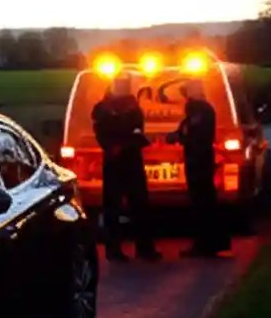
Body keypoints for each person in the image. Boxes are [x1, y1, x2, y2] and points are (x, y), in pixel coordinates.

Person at [92, 74, 161, 262]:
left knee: (136, 204)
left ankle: (141, 248)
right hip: (117, 159)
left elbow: (137, 128)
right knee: (116, 206)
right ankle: (118, 250)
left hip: (127, 157)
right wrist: (117, 144)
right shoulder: (106, 108)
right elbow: (102, 133)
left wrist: (126, 139)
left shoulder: (128, 106)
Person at [167, 78, 224, 257]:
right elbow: (186, 130)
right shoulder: (200, 111)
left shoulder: (201, 111)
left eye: (186, 94)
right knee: (203, 201)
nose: (185, 99)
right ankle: (208, 243)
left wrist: (179, 137)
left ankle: (206, 244)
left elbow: (192, 133)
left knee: (202, 202)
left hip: (199, 161)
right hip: (199, 160)